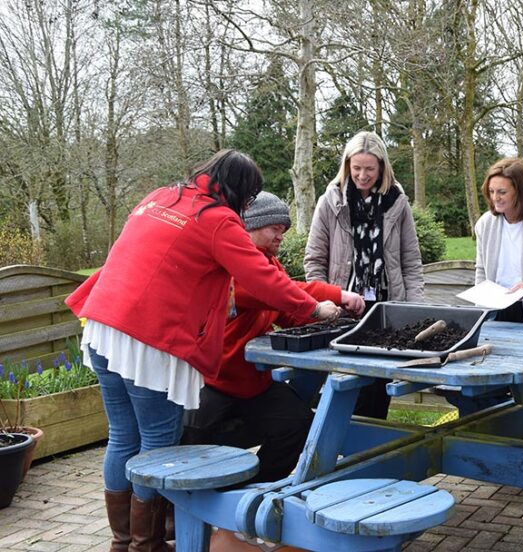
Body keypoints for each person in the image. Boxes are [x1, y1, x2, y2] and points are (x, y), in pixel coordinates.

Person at [66, 150, 343, 552]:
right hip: (147, 337)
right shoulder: (217, 219)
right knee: (157, 441)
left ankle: (123, 543)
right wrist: (314, 308)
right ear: (242, 192)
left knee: (123, 437)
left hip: (102, 326)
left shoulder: (160, 198)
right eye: (249, 198)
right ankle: (147, 545)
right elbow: (262, 278)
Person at [181, 192, 365, 484]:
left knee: (297, 423)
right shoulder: (233, 268)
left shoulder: (270, 265)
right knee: (191, 434)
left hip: (254, 381)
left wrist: (332, 316)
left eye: (284, 229)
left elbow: (287, 313)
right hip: (213, 380)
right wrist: (336, 294)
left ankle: (255, 490)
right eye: (274, 228)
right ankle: (183, 500)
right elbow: (278, 292)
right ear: (250, 228)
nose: (281, 236)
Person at [304, 131, 424, 419]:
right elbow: (315, 259)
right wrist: (325, 301)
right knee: (347, 388)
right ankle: (341, 441)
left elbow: (411, 261)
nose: (362, 175)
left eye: (369, 168)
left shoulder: (398, 202)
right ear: (347, 166)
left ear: (382, 168)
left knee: (379, 391)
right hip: (343, 311)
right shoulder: (330, 201)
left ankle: (374, 442)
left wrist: (414, 309)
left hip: (386, 310)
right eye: (356, 168)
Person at [449, 157, 523, 416]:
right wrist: (479, 305)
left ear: (520, 191)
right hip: (495, 311)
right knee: (490, 389)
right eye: (491, 192)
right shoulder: (485, 224)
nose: (495, 198)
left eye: (502, 192)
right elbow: (481, 270)